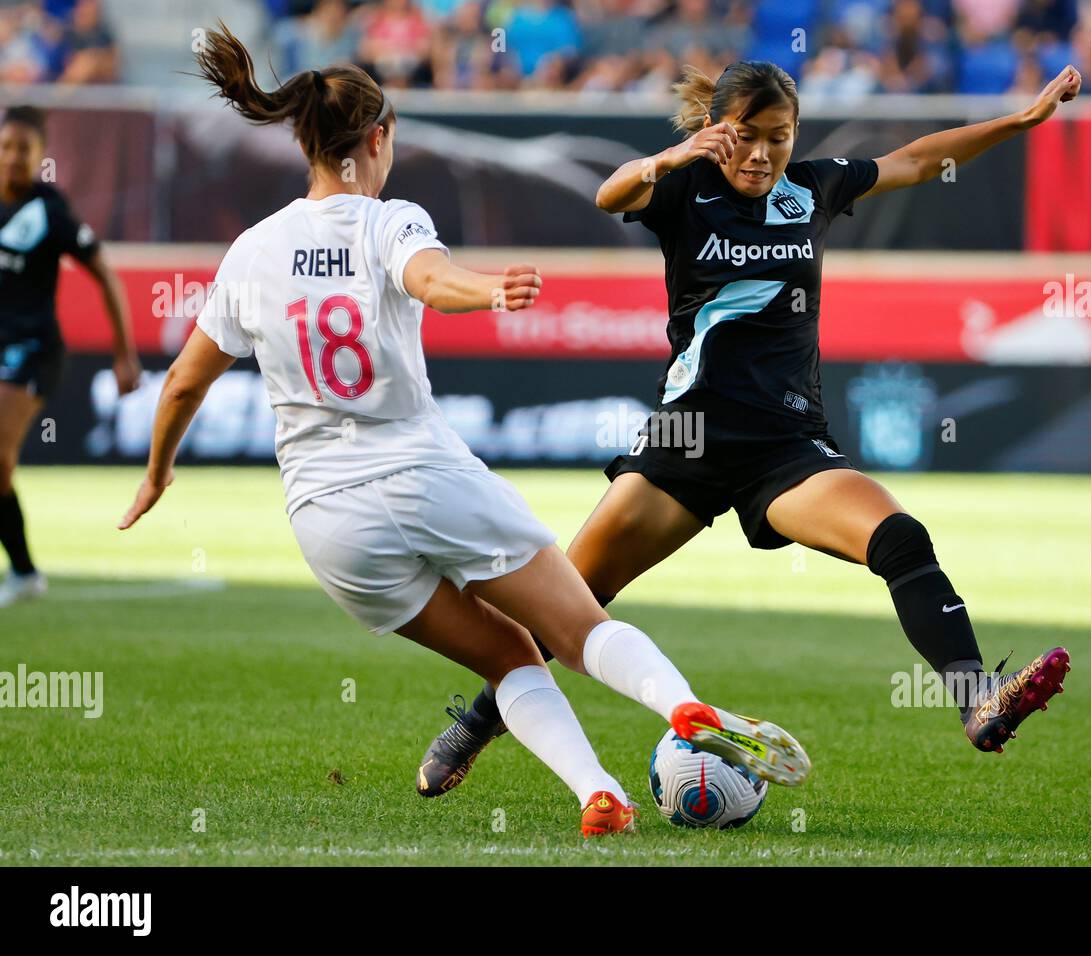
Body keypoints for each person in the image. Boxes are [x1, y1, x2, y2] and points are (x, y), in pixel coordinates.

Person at [118, 28, 809, 836]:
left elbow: (183, 382)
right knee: (576, 627)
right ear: (379, 139)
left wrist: (158, 471)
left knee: (507, 656)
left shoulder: (251, 251)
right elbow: (431, 279)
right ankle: (683, 707)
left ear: (305, 140)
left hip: (327, 523)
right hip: (422, 473)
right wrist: (486, 291)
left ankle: (600, 792)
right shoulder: (387, 221)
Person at [421, 59, 1078, 796]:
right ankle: (475, 724)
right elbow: (613, 195)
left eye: (780, 137)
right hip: (687, 438)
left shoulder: (815, 188)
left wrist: (1019, 121)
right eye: (748, 137)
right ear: (716, 133)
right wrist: (670, 158)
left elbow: (919, 160)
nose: (764, 154)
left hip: (787, 445)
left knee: (900, 538)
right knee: (569, 603)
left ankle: (974, 700)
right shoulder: (681, 187)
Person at [0, 105, 139, 607]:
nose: (14, 157)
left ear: (40, 156)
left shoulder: (49, 211)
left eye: (25, 149)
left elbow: (104, 273)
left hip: (33, 350)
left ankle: (23, 574)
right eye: (7, 146)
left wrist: (124, 355)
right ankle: (25, 572)